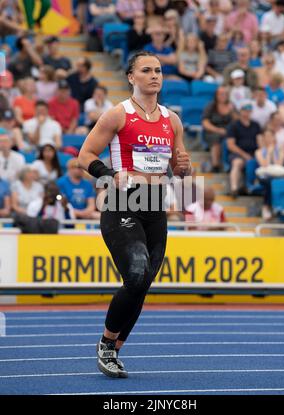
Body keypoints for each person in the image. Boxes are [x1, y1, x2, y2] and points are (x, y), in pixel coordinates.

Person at [78, 50, 191, 378]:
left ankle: (114, 349)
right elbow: (84, 156)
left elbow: (180, 168)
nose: (155, 75)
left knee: (142, 284)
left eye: (158, 70)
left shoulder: (173, 120)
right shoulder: (118, 114)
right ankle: (106, 343)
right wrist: (111, 174)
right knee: (138, 274)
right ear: (131, 77)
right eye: (146, 70)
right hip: (121, 203)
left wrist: (184, 167)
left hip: (155, 206)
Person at [227, 100, 261, 197]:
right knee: (237, 163)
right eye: (245, 109)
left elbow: (260, 141)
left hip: (254, 153)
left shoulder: (256, 125)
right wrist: (244, 155)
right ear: (240, 111)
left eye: (249, 109)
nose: (247, 112)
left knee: (260, 161)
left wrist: (260, 153)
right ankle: (234, 188)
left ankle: (254, 187)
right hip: (238, 154)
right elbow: (231, 145)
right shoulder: (233, 126)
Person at [255, 128, 284, 219]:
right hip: (264, 177)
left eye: (270, 136)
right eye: (266, 136)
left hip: (278, 176)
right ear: (263, 138)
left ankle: (275, 207)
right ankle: (266, 207)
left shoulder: (280, 150)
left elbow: (279, 165)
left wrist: (273, 153)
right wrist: (268, 153)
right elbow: (264, 165)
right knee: (269, 182)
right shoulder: (259, 152)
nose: (268, 138)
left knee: (275, 182)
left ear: (274, 138)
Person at [202, 86, 233, 172]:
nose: (223, 96)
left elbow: (237, 122)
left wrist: (232, 111)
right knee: (216, 138)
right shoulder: (211, 106)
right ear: (216, 95)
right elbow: (205, 123)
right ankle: (216, 164)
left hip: (228, 132)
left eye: (225, 94)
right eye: (221, 94)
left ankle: (228, 164)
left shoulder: (231, 106)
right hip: (212, 131)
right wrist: (218, 130)